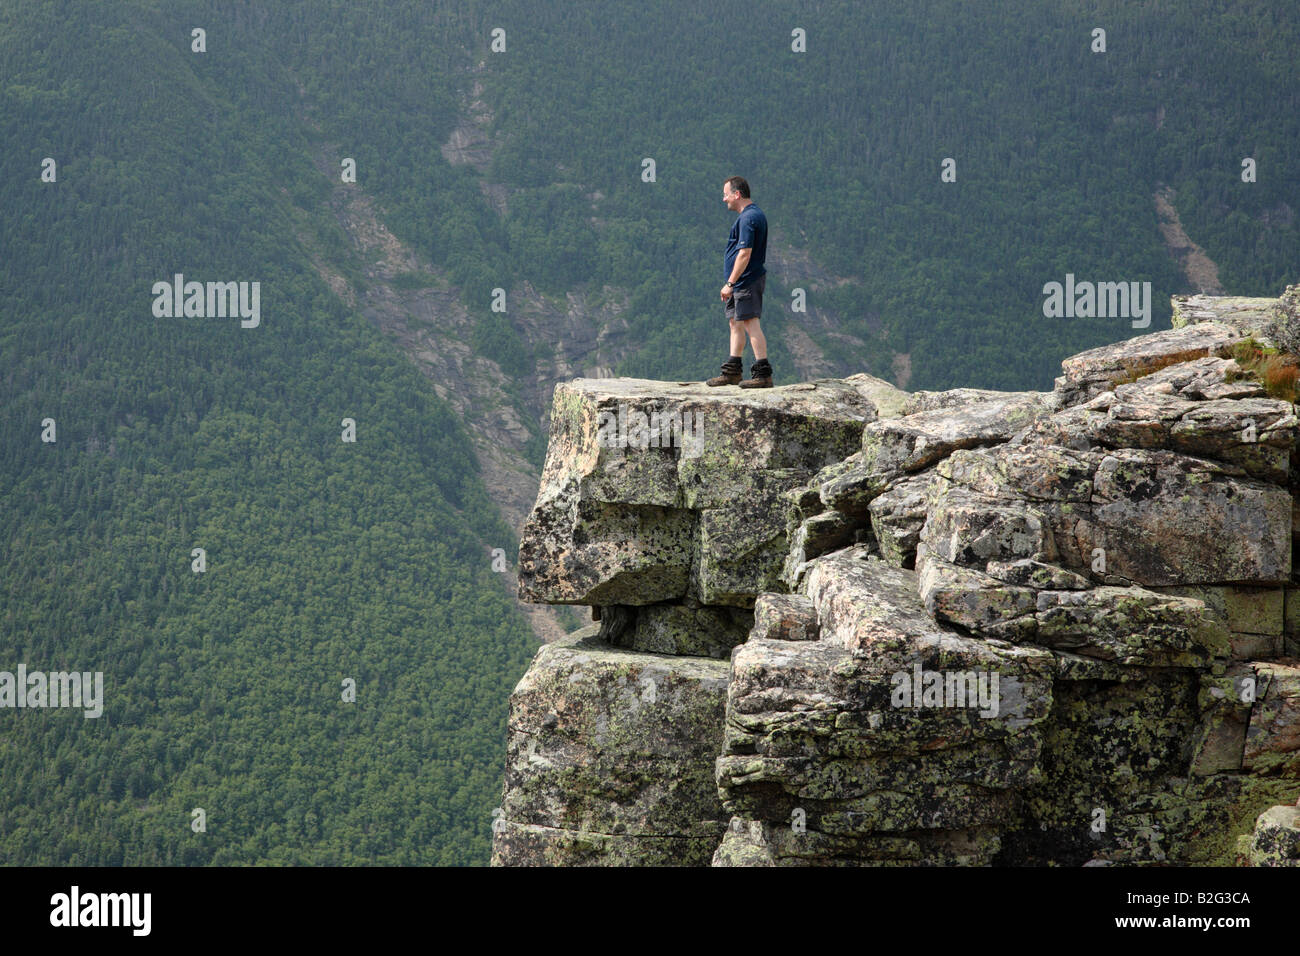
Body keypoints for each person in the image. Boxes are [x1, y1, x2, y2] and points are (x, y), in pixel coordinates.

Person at [708, 176, 772, 387]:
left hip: (746, 280)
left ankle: (763, 374)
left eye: (726, 194)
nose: (724, 199)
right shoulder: (753, 215)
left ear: (737, 194)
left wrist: (730, 282)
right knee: (735, 323)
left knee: (750, 323)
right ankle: (732, 372)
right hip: (742, 281)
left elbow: (744, 253)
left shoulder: (748, 218)